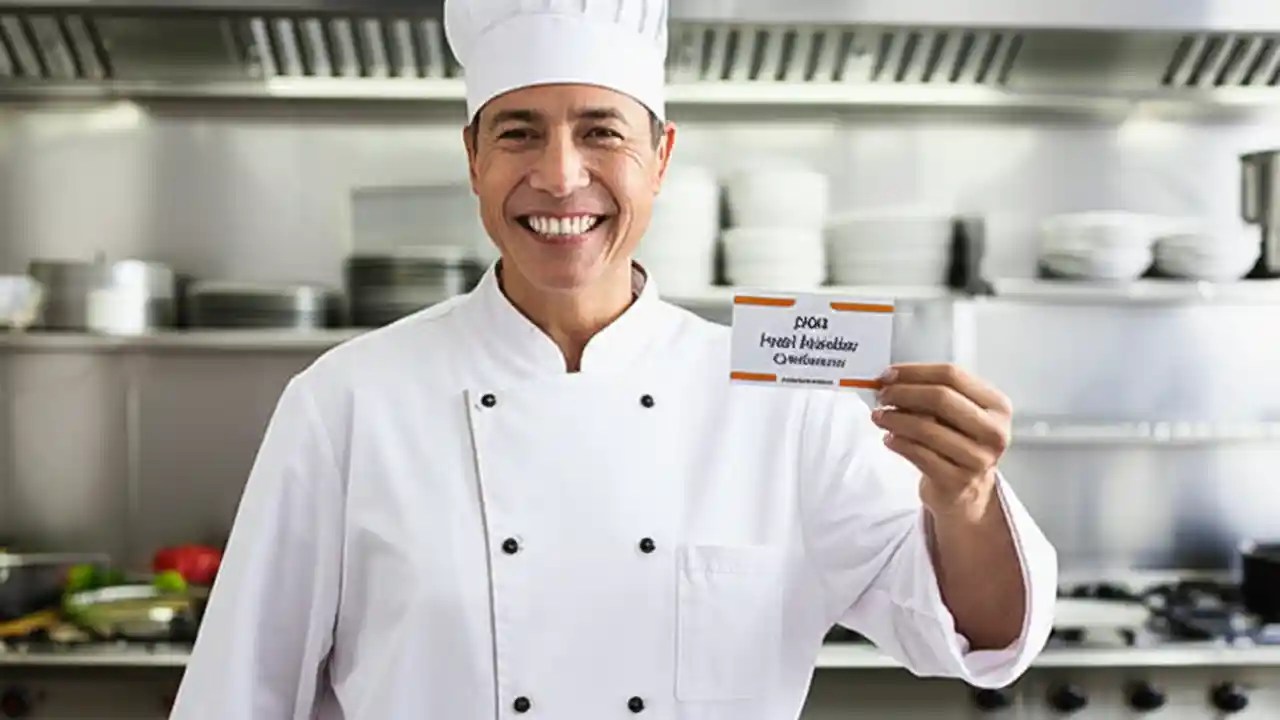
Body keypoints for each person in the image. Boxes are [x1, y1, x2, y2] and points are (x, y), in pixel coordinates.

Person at [170, 1, 1056, 718]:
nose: (560, 176)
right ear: (473, 159)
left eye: (601, 132)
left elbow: (970, 640)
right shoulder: (347, 402)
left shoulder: (783, 399)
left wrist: (964, 498)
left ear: (661, 158)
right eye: (519, 133)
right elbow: (235, 697)